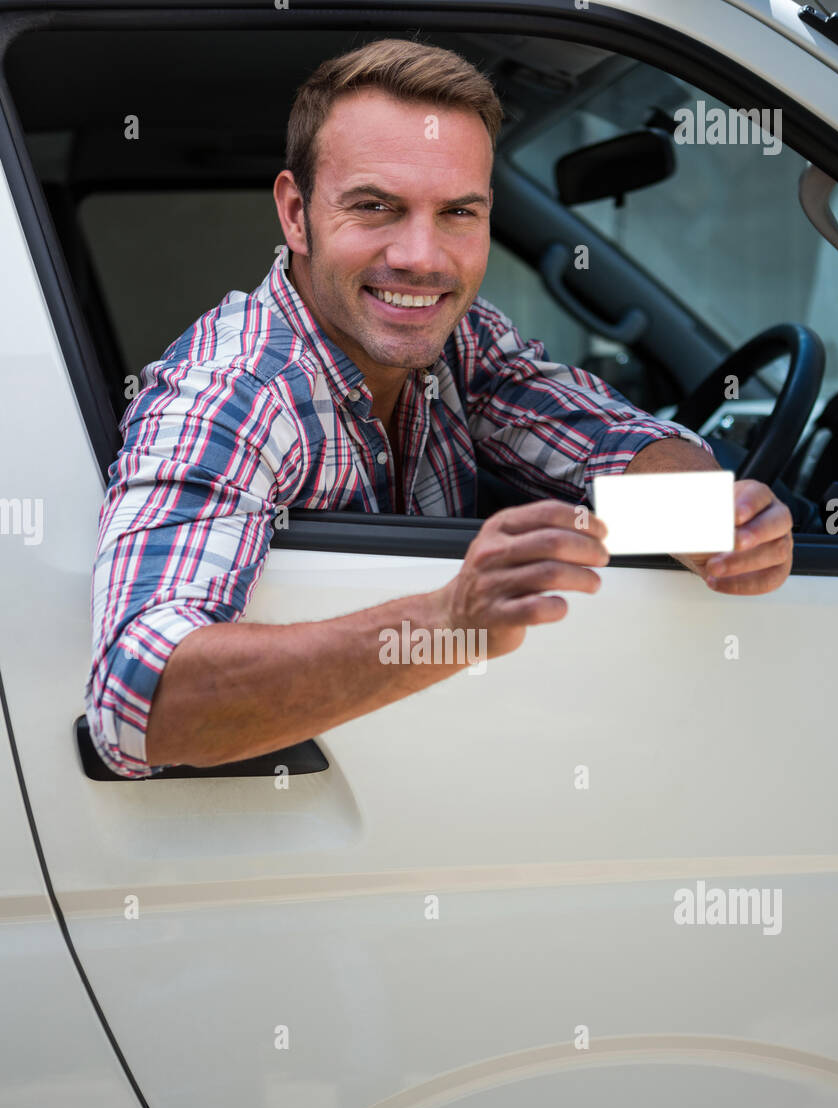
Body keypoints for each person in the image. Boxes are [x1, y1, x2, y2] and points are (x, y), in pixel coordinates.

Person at [85, 38, 793, 779]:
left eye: (458, 212)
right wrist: (449, 623)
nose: (423, 257)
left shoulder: (457, 342)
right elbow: (136, 703)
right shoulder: (230, 394)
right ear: (296, 215)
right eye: (376, 206)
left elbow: (600, 441)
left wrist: (717, 525)